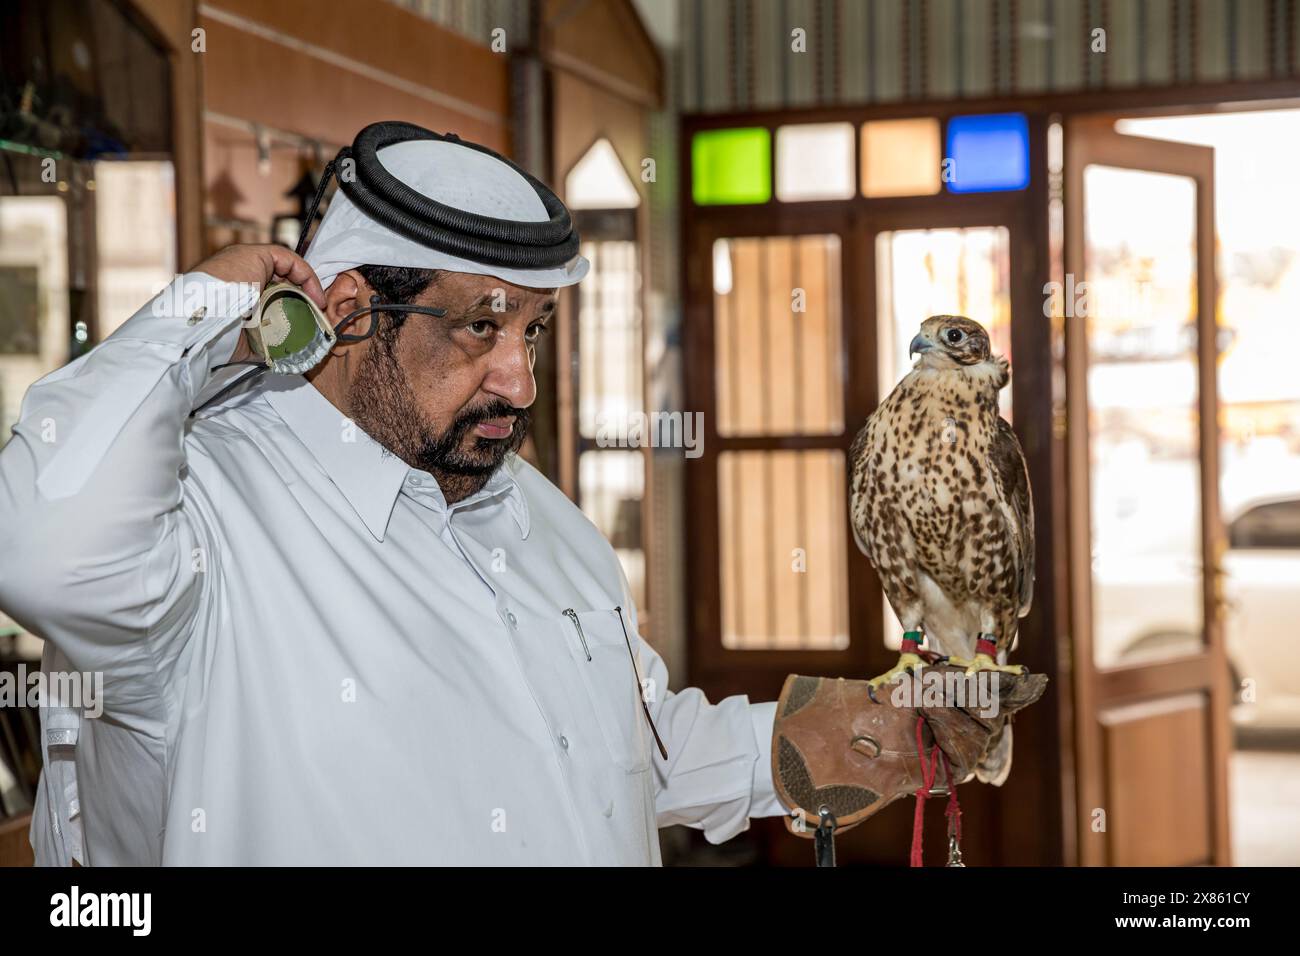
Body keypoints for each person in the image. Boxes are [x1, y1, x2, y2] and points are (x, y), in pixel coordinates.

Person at [0, 123, 1020, 865]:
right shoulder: (203, 521)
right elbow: (38, 545)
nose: (520, 381)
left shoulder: (546, 524)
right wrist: (206, 307)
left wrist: (858, 732)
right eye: (478, 329)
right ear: (349, 309)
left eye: (530, 330)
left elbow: (628, 752)